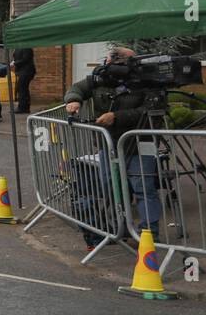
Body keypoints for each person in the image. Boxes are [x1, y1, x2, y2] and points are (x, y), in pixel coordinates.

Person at [63, 47, 160, 245]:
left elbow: (152, 109)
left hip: (140, 142)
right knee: (112, 185)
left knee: (143, 187)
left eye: (111, 61)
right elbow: (77, 89)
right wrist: (73, 101)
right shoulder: (100, 78)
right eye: (107, 60)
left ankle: (149, 233)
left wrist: (116, 117)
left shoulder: (146, 80)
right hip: (109, 144)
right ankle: (121, 227)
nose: (107, 64)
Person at [10, 47, 36, 113]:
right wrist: (14, 61)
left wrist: (15, 63)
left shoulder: (26, 47)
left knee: (22, 89)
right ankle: (24, 107)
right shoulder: (18, 47)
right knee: (23, 89)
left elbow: (25, 59)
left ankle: (22, 108)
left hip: (26, 71)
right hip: (22, 71)